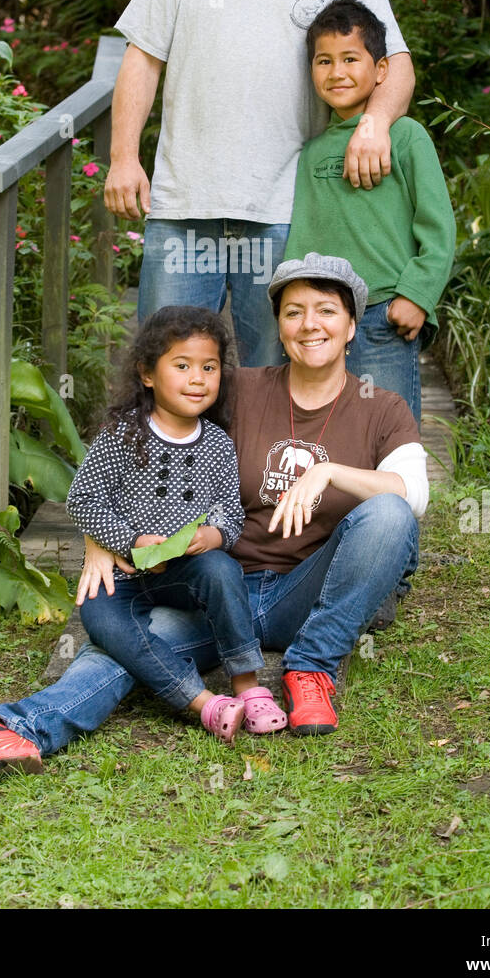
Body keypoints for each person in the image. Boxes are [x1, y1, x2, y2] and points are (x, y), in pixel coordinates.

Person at [0, 256, 427, 779]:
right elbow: (148, 437)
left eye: (326, 310)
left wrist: (329, 472)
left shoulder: (381, 408)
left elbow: (415, 495)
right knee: (128, 646)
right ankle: (13, 732)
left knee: (389, 511)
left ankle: (311, 667)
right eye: (294, 311)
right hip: (215, 588)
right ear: (279, 325)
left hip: (306, 591)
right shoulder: (239, 387)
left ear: (352, 324)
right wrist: (102, 535)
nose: (309, 324)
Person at [104, 0, 416, 366]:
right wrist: (123, 156)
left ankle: (261, 461)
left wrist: (374, 123)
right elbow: (142, 59)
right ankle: (170, 460)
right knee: (167, 371)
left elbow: (397, 64)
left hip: (289, 215)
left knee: (277, 379)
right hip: (183, 210)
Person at [69, 306, 287, 743]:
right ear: (147, 373)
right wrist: (128, 540)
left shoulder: (218, 444)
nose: (197, 378)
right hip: (123, 571)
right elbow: (83, 500)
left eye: (209, 367)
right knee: (102, 621)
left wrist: (216, 535)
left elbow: (231, 508)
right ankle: (202, 701)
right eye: (182, 365)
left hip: (185, 570)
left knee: (224, 571)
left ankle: (247, 683)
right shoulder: (122, 434)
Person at [283, 0, 456, 423]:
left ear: (381, 70)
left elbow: (439, 227)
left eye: (350, 59)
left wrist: (417, 295)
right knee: (326, 431)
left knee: (387, 432)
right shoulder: (312, 151)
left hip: (383, 315)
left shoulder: (406, 136)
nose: (336, 72)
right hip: (322, 322)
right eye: (324, 61)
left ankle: (393, 495)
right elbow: (303, 234)